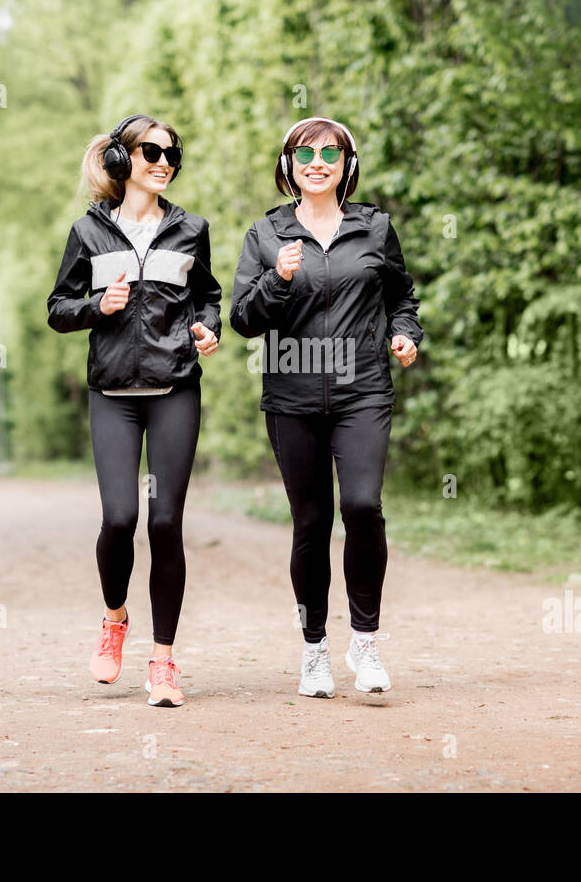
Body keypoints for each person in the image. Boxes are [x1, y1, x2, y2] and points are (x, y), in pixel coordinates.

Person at [229, 115, 422, 698]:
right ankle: (314, 650)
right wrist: (277, 281)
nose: (318, 161)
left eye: (330, 153)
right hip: (291, 392)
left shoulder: (376, 228)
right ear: (288, 165)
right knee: (311, 522)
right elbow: (242, 319)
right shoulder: (266, 234)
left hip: (363, 387)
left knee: (362, 506)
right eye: (305, 152)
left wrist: (405, 332)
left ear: (347, 165)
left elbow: (401, 296)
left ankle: (365, 643)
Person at [47, 113, 221, 708]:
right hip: (112, 395)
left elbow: (209, 295)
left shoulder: (191, 229)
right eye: (151, 152)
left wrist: (206, 326)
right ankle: (115, 617)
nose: (164, 162)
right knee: (120, 517)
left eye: (173, 154)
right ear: (123, 161)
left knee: (165, 521)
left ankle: (164, 662)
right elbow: (58, 308)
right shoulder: (88, 232)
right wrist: (99, 304)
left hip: (176, 390)